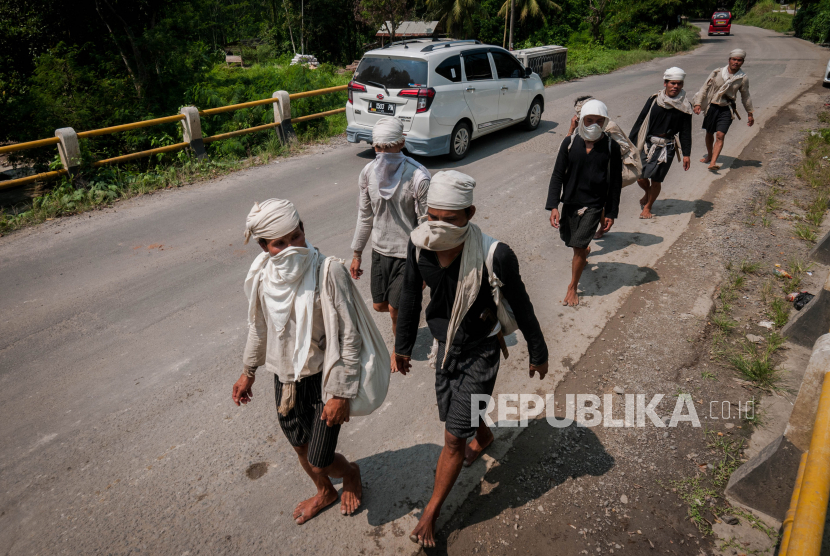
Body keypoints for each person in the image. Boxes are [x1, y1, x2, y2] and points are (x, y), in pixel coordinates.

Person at [393, 171, 549, 548]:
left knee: (451, 438)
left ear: (470, 213)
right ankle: (484, 434)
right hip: (443, 348)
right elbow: (411, 296)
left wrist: (538, 350)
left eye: (450, 219)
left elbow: (523, 305)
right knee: (455, 414)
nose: (439, 226)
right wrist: (402, 344)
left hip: (481, 349)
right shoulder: (419, 246)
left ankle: (431, 513)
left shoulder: (495, 254)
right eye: (433, 217)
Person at [231, 199, 365, 525]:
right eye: (280, 243)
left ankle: (350, 473)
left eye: (296, 236)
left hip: (324, 379)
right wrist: (248, 372)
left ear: (304, 228)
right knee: (300, 447)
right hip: (285, 379)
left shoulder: (328, 270)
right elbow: (259, 327)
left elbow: (350, 336)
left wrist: (340, 394)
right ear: (264, 247)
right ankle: (325, 492)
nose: (292, 247)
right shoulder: (264, 276)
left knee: (319, 459)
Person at [350, 117, 430, 337]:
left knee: (395, 309)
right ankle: (409, 310)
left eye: (389, 146)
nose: (383, 153)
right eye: (379, 147)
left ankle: (400, 348)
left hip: (408, 255)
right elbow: (365, 215)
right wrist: (357, 254)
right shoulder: (367, 173)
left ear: (402, 143)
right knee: (380, 306)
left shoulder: (418, 177)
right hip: (380, 251)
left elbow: (426, 224)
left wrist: (425, 267)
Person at [547, 99, 623, 306]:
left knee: (579, 245)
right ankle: (583, 252)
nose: (594, 125)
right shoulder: (570, 143)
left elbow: (615, 183)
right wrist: (554, 205)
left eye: (599, 121)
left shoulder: (611, 147)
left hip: (594, 205)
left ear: (605, 122)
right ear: (581, 120)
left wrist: (611, 213)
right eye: (589, 120)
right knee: (570, 239)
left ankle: (572, 286)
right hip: (570, 202)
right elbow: (557, 176)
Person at [567, 95, 637, 238]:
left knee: (598, 203)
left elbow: (624, 147)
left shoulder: (607, 126)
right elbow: (568, 149)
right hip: (584, 176)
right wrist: (572, 128)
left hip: (604, 173)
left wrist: (603, 143)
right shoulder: (581, 127)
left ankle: (598, 229)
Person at [628, 67, 693, 219]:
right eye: (672, 83)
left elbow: (685, 132)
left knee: (656, 180)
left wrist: (686, 154)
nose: (675, 86)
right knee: (640, 176)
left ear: (682, 85)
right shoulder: (654, 100)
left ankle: (648, 207)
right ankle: (648, 192)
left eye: (679, 84)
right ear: (665, 83)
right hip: (647, 143)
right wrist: (630, 144)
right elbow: (641, 121)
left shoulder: (685, 106)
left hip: (667, 147)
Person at [692, 49, 754, 171]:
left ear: (742, 62)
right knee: (709, 133)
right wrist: (698, 103)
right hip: (712, 107)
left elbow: (746, 96)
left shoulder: (742, 78)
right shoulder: (717, 72)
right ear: (729, 60)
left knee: (720, 134)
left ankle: (713, 162)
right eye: (734, 59)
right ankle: (709, 155)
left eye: (739, 60)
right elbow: (704, 87)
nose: (736, 62)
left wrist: (750, 113)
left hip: (727, 109)